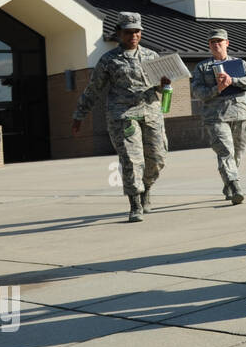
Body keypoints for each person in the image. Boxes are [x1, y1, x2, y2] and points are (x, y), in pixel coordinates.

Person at [71, 12, 171, 223]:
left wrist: (164, 85)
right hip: (123, 116)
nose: (133, 36)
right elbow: (93, 89)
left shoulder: (152, 56)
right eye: (128, 32)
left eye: (136, 31)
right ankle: (135, 202)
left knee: (158, 158)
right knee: (132, 159)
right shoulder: (108, 60)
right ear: (119, 33)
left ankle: (146, 189)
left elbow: (162, 90)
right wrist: (79, 114)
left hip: (151, 113)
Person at [189, 28, 246, 205]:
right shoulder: (202, 67)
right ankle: (235, 186)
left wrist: (233, 80)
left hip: (241, 113)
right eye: (212, 42)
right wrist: (217, 89)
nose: (216, 44)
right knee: (225, 151)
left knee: (238, 151)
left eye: (219, 41)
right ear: (209, 46)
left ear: (227, 43)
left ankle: (228, 181)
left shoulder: (240, 64)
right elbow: (197, 92)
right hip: (216, 116)